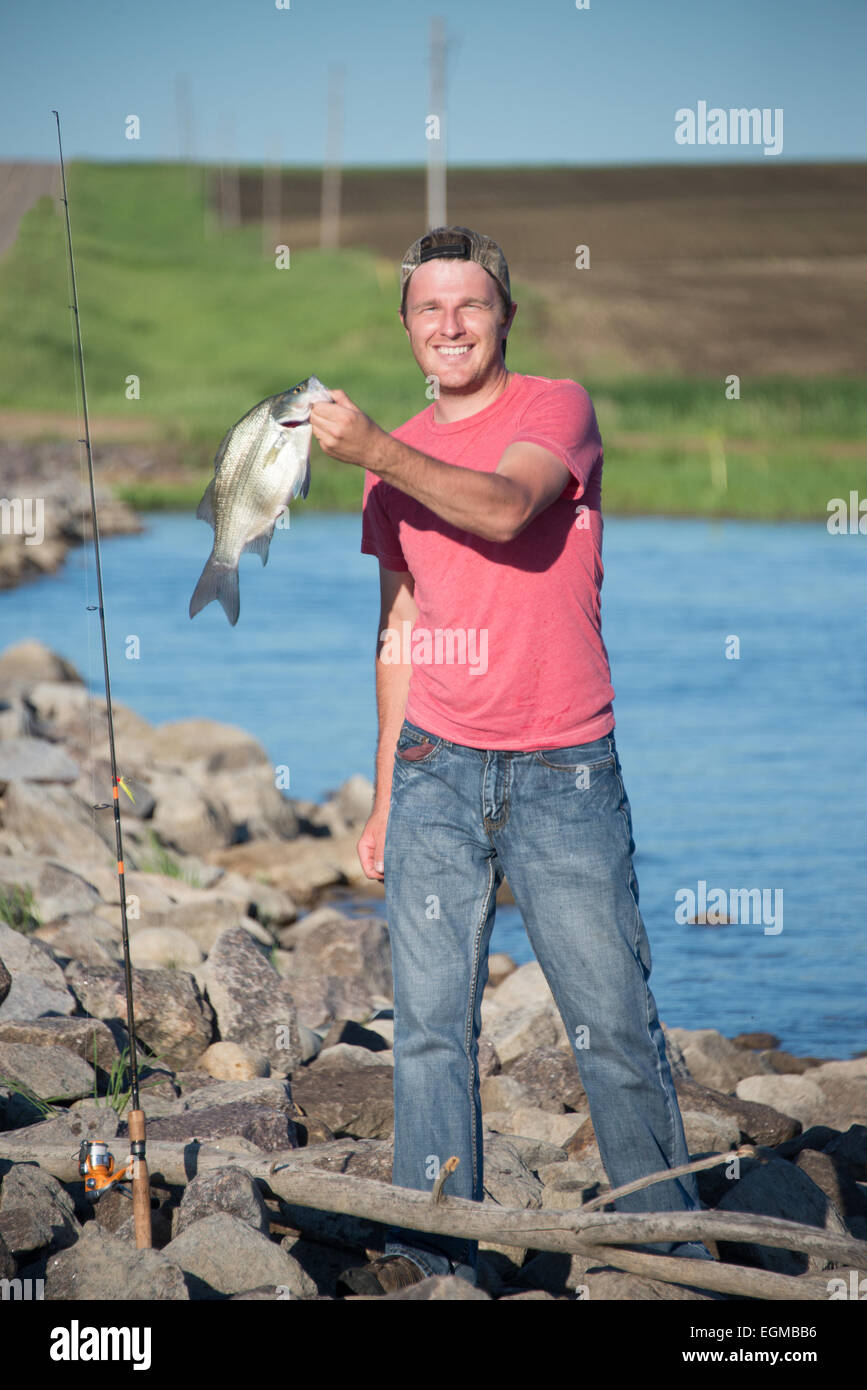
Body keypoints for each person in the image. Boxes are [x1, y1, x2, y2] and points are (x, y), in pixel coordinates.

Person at [310, 226, 713, 1297]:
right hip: (438, 765)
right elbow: (400, 631)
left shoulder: (553, 409)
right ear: (406, 328)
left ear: (504, 318)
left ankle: (668, 1258)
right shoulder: (385, 458)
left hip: (562, 771)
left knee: (614, 1023)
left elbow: (500, 507)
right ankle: (434, 1251)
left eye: (469, 306)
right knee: (431, 1032)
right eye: (428, 309)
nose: (448, 325)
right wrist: (389, 792)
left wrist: (378, 454)